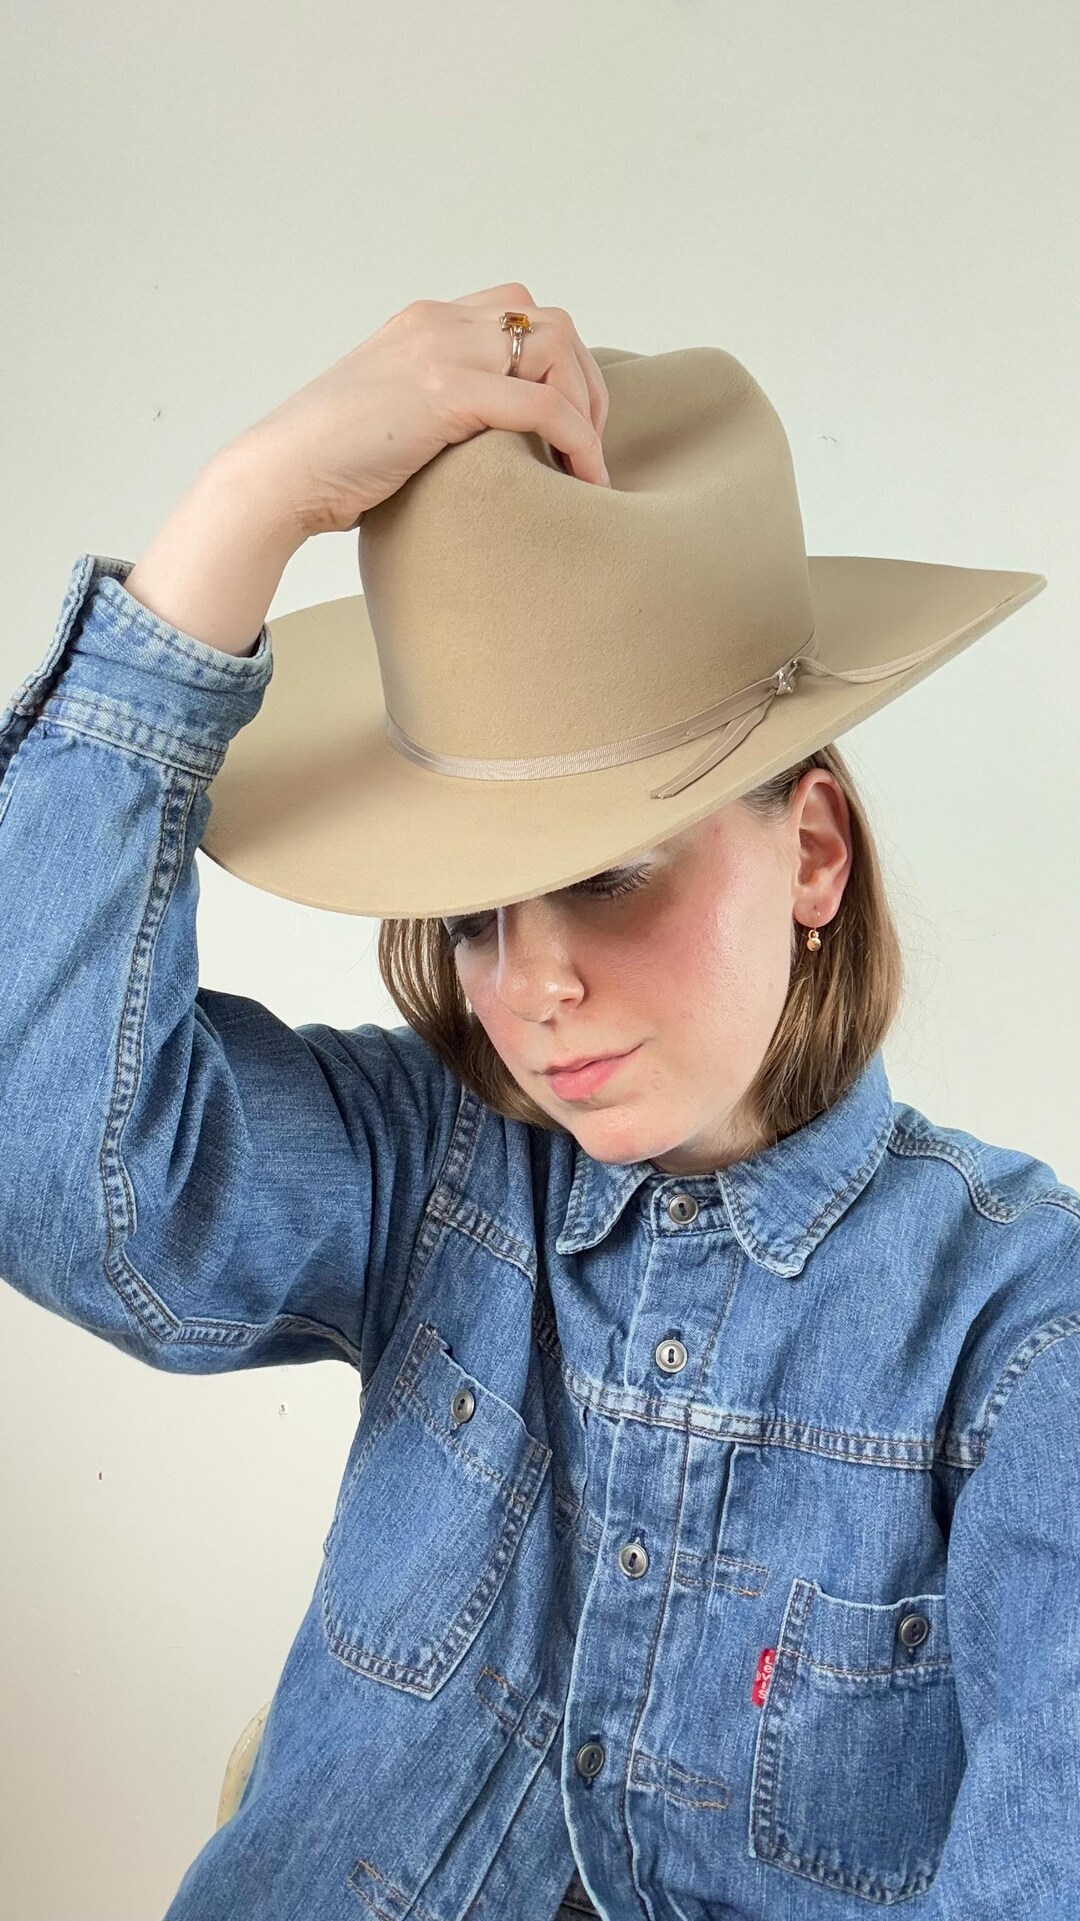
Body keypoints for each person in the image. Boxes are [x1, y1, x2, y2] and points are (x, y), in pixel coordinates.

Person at [0, 283, 1075, 1921]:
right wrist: (254, 498)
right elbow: (52, 1157)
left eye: (609, 874)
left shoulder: (1021, 1335)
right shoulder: (435, 1164)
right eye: (473, 914)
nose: (530, 987)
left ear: (811, 851)